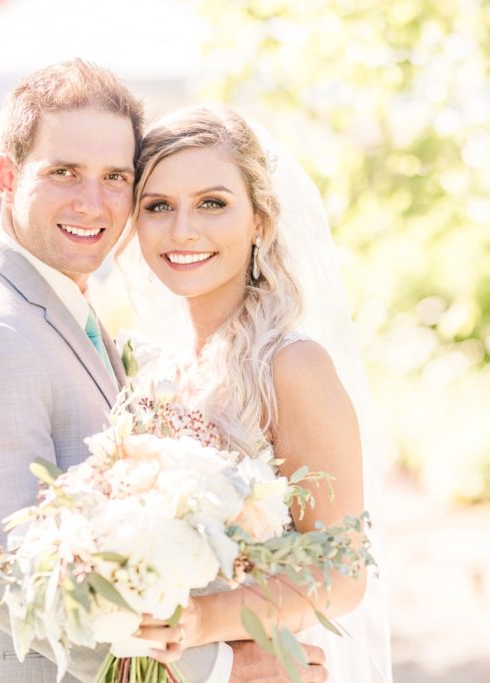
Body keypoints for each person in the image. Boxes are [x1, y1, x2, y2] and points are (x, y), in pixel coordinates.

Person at [0, 62, 326, 683]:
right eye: (63, 173)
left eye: (115, 177)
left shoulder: (68, 317)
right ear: (6, 176)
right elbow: (11, 583)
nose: (92, 202)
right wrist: (227, 667)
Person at [119, 106, 393, 682]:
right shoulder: (147, 370)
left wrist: (199, 622)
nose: (183, 229)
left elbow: (342, 570)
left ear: (260, 221)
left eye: (212, 203)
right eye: (158, 206)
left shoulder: (292, 366)